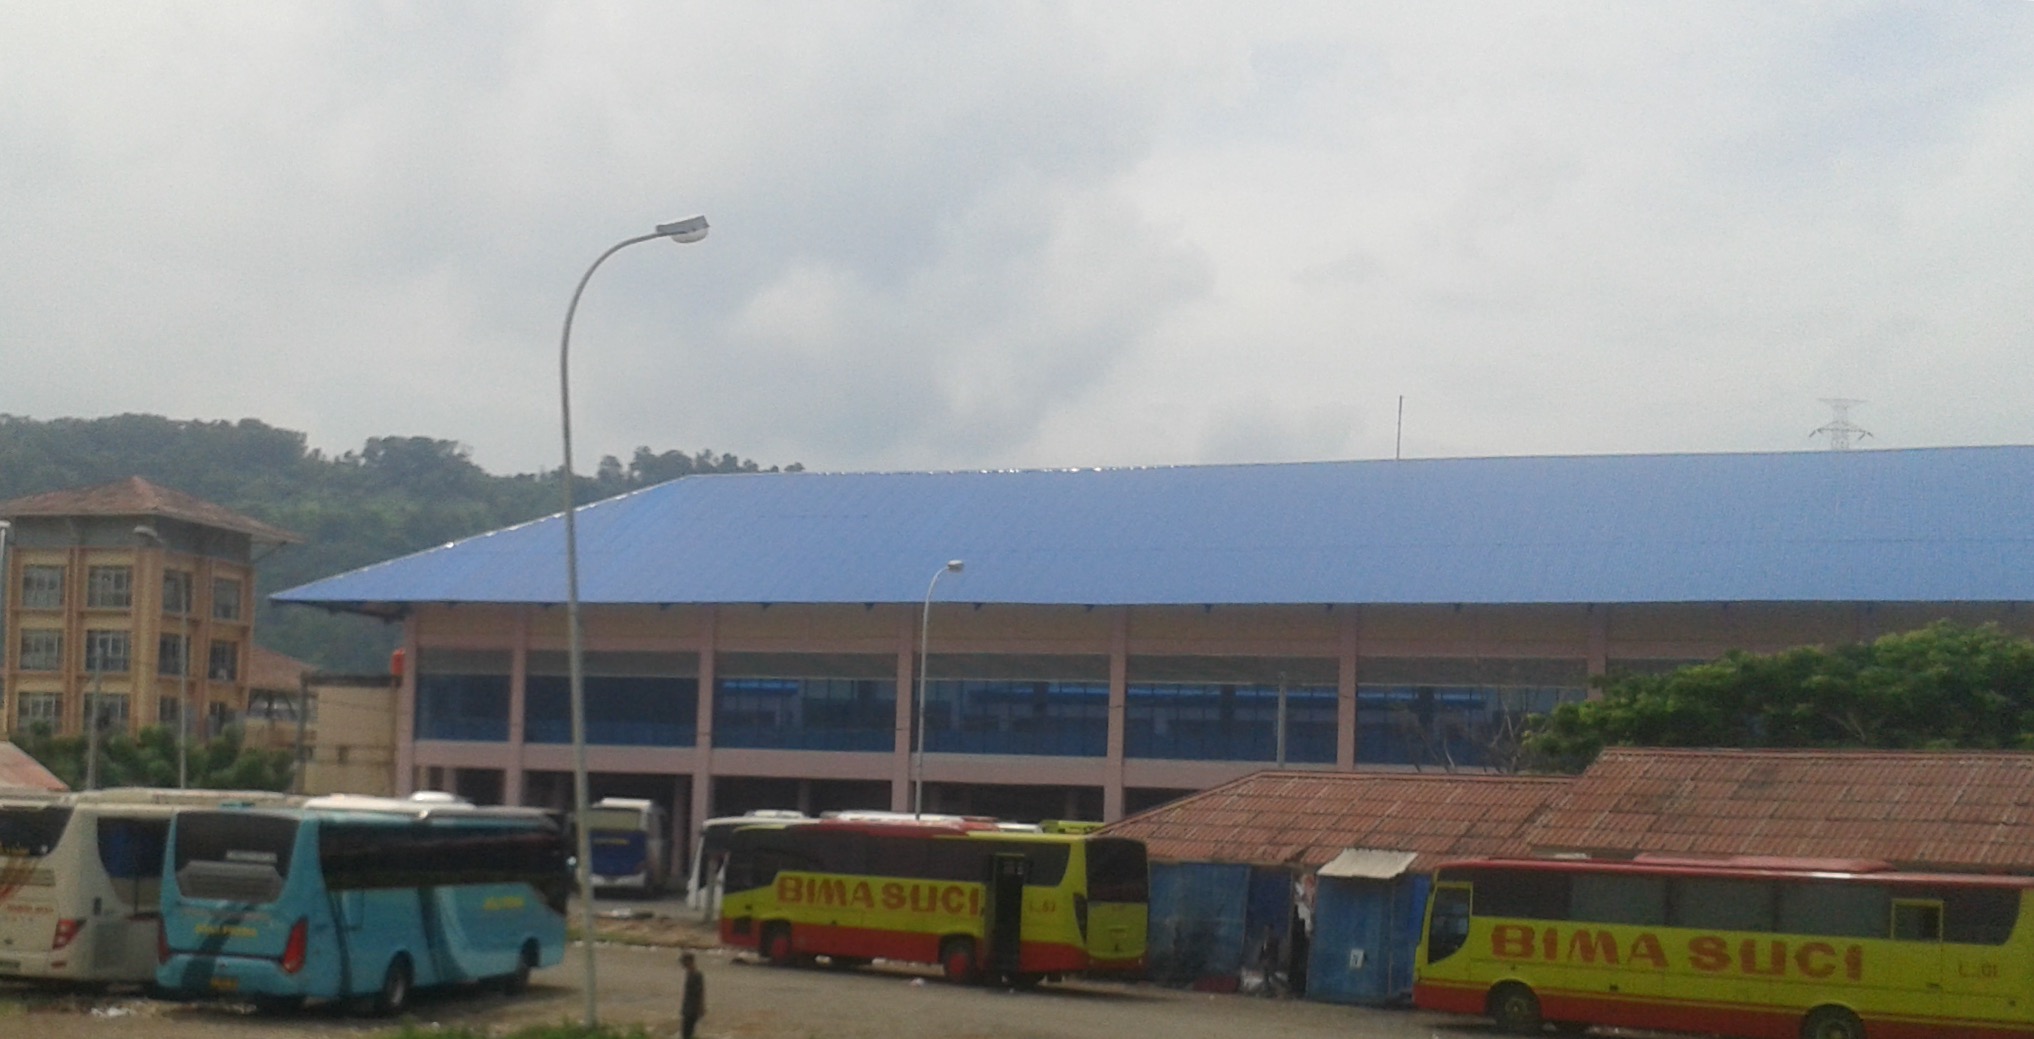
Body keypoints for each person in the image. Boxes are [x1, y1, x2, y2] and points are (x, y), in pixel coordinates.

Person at [680, 950, 707, 1039]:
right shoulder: (689, 974)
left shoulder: (697, 974)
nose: (682, 964)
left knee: (687, 1033)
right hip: (687, 1007)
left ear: (689, 961)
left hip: (692, 1009)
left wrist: (701, 1008)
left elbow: (701, 992)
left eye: (683, 961)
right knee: (685, 1032)